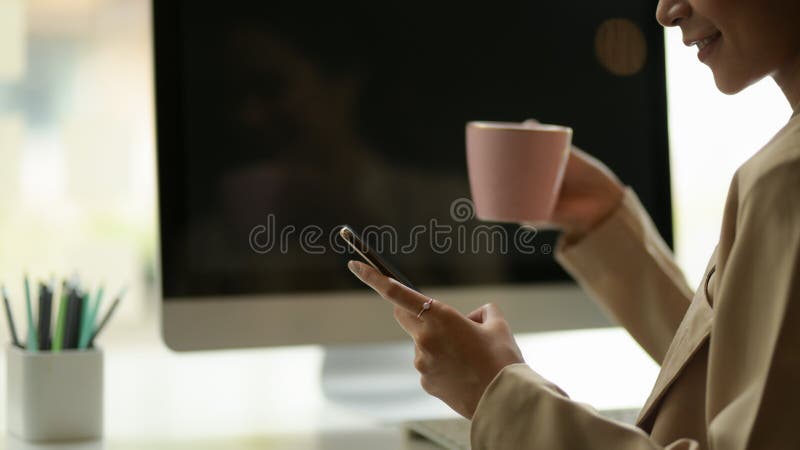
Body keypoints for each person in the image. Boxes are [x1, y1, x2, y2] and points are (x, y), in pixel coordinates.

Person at [347, 0, 800, 448]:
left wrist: (495, 393)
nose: (666, 11)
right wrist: (607, 227)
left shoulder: (784, 178)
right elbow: (744, 371)